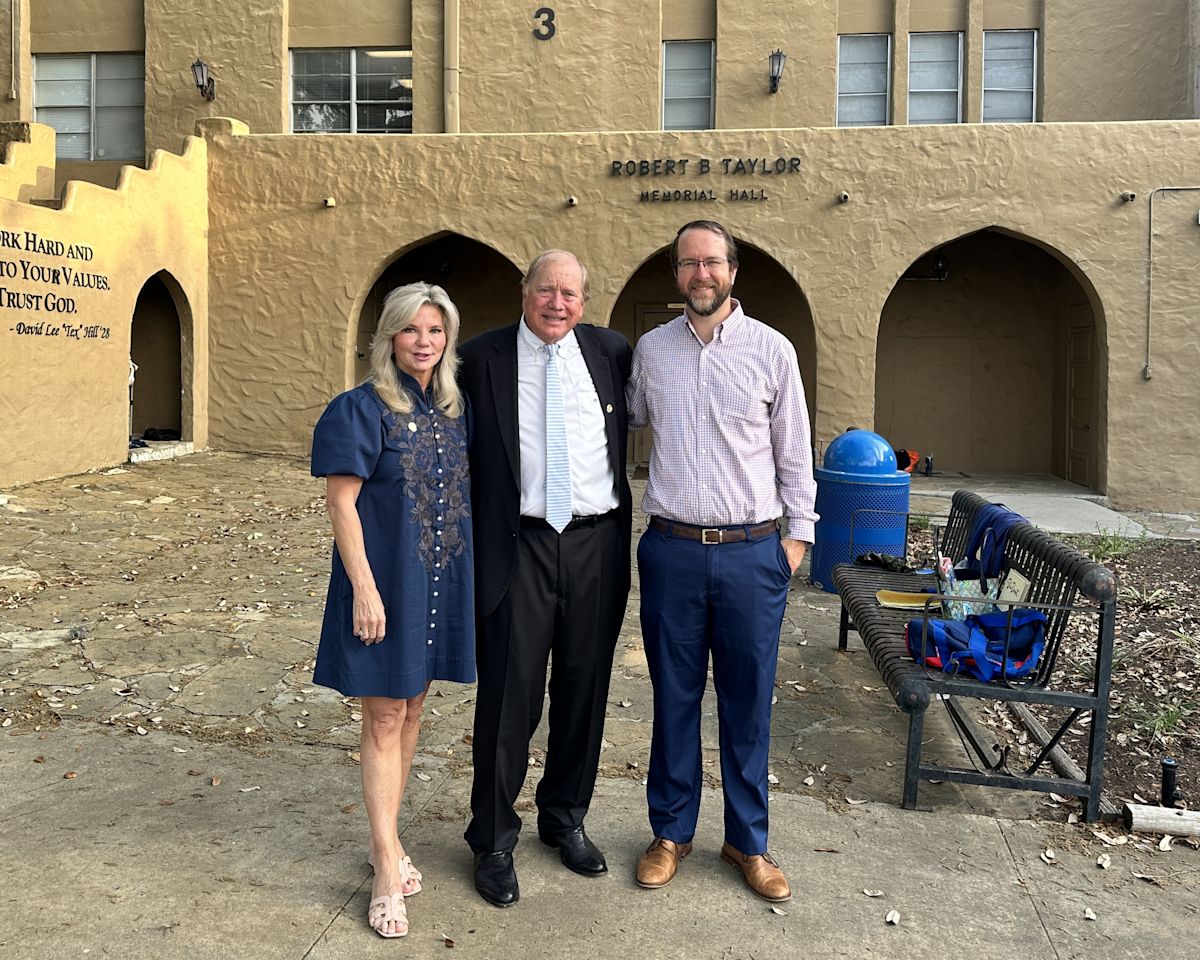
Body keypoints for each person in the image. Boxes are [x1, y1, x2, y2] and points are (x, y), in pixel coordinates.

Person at [626, 220, 818, 903]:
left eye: (712, 263)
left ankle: (748, 841)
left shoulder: (773, 351)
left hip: (751, 555)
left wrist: (796, 542)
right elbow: (623, 421)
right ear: (676, 275)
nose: (700, 274)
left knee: (747, 704)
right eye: (687, 264)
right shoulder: (650, 352)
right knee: (674, 697)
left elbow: (795, 451)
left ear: (733, 271)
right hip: (672, 549)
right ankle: (670, 832)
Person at [458, 249, 632, 908]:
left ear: (584, 301)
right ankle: (494, 839)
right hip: (520, 544)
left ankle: (565, 819)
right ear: (523, 291)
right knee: (510, 698)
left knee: (585, 691)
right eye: (546, 291)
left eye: (570, 294)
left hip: (597, 542)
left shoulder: (611, 352)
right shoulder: (480, 359)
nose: (557, 304)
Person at [311, 282, 475, 938]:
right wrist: (366, 590)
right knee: (382, 717)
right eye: (412, 330)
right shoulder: (359, 408)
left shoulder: (452, 410)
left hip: (437, 582)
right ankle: (383, 862)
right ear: (390, 337)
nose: (424, 342)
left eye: (436, 331)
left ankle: (391, 837)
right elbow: (340, 502)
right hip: (385, 586)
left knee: (411, 708)